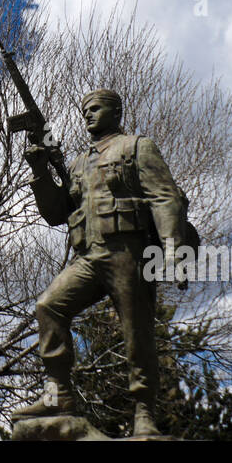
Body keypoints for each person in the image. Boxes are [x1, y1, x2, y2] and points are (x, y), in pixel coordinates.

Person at [13, 88, 187, 436]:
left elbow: (165, 197)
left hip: (128, 252)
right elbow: (56, 213)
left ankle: (143, 413)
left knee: (135, 331)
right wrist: (40, 170)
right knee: (49, 307)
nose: (88, 115)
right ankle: (58, 395)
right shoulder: (78, 163)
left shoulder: (137, 147)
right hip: (89, 255)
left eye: (95, 109)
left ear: (116, 111)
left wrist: (173, 249)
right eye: (84, 111)